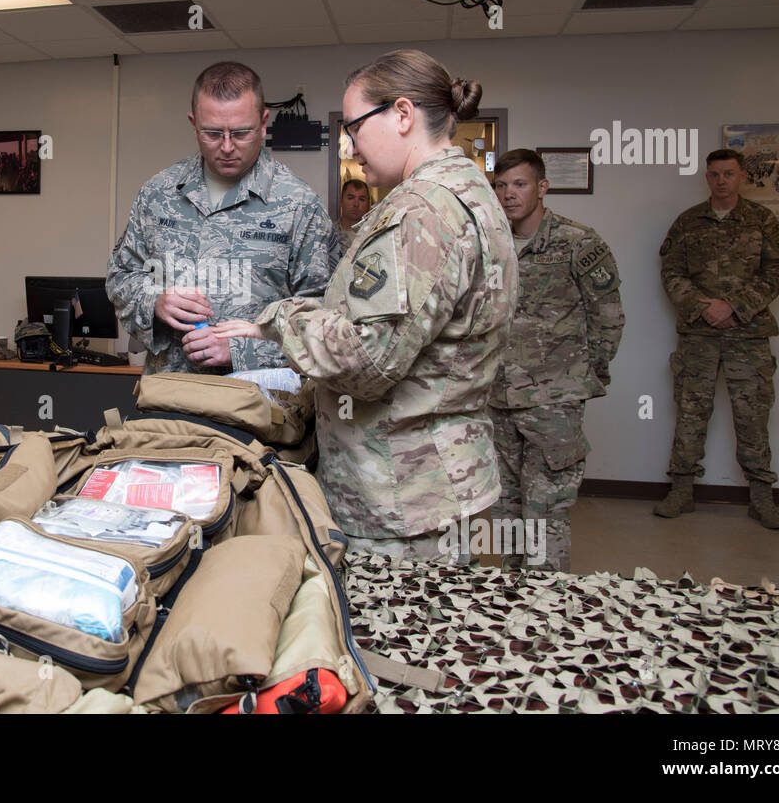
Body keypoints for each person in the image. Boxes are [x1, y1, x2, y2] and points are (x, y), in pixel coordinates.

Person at [212, 49, 517, 562]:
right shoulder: (470, 193)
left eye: (354, 127)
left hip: (398, 498)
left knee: (390, 640)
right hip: (435, 483)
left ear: (402, 115)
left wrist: (278, 319)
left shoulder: (420, 212)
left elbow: (365, 363)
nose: (350, 146)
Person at [106, 61, 339, 375]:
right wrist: (155, 302)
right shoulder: (158, 194)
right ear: (193, 124)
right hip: (170, 400)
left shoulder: (299, 205)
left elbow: (328, 316)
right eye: (213, 134)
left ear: (264, 121)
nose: (227, 147)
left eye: (241, 133)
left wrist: (245, 350)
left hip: (258, 407)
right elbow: (121, 276)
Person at [488, 149, 624, 572]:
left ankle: (547, 611)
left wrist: (579, 379)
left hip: (554, 404)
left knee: (545, 511)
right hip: (499, 398)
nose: (509, 194)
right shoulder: (492, 243)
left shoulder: (577, 242)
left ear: (542, 188)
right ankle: (510, 600)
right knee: (506, 508)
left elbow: (609, 317)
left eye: (520, 184)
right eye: (501, 185)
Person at [656, 148, 779, 528]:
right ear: (707, 177)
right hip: (698, 336)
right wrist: (703, 307)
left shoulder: (762, 221)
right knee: (689, 414)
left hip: (747, 336)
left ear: (741, 176)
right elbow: (670, 271)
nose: (721, 181)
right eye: (714, 174)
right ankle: (681, 491)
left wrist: (734, 306)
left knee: (752, 417)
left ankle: (761, 497)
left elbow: (777, 271)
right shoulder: (687, 223)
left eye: (728, 174)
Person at [335, 178, 372, 252]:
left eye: (361, 199)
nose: (356, 204)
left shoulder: (373, 234)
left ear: (368, 203)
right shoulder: (330, 234)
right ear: (341, 201)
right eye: (350, 198)